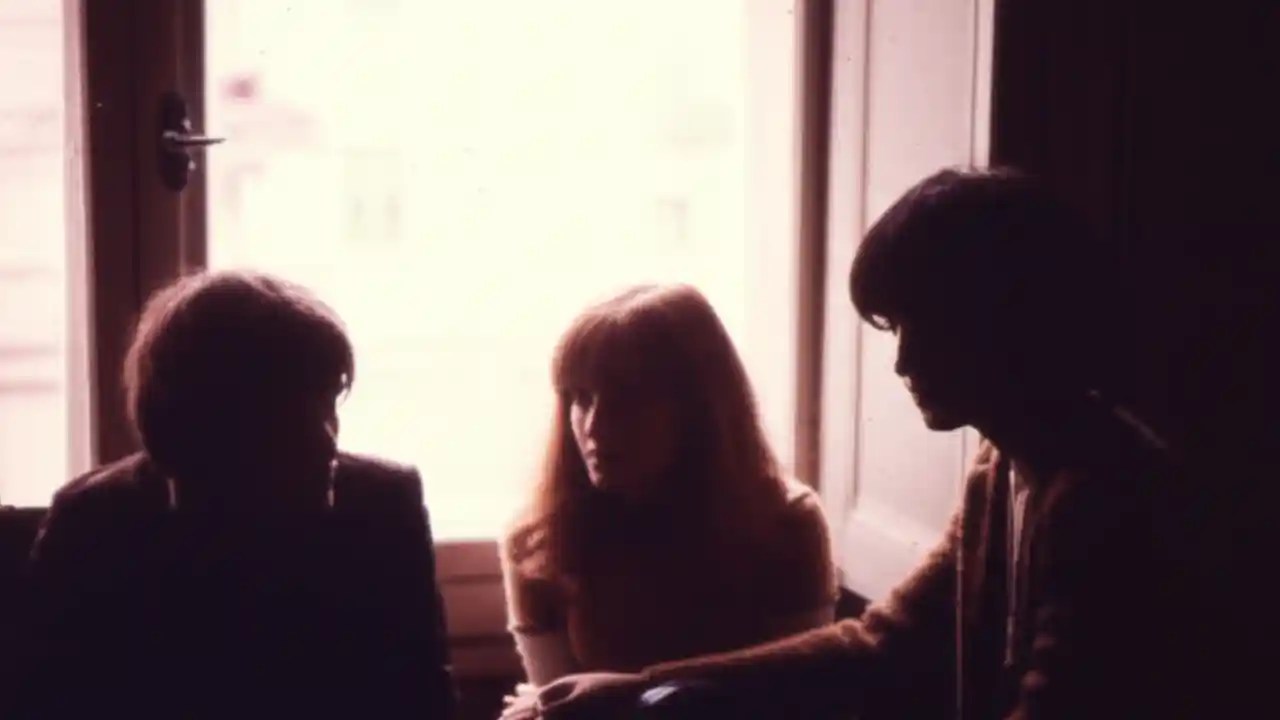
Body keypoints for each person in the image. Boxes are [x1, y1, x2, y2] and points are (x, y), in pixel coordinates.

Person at [507, 169, 1187, 720]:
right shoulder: (997, 471)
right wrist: (638, 687)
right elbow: (880, 640)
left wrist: (642, 688)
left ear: (1008, 319)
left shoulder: (1103, 494)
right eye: (896, 330)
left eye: (930, 328)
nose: (903, 363)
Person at [12, 270, 456, 719]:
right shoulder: (95, 526)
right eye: (291, 413)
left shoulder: (382, 507)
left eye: (328, 402)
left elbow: (422, 703)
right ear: (198, 426)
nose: (328, 441)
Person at [499, 284, 838, 695]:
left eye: (628, 399)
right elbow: (562, 704)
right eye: (581, 398)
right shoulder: (540, 542)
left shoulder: (786, 524)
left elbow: (800, 700)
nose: (594, 428)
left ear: (699, 408)